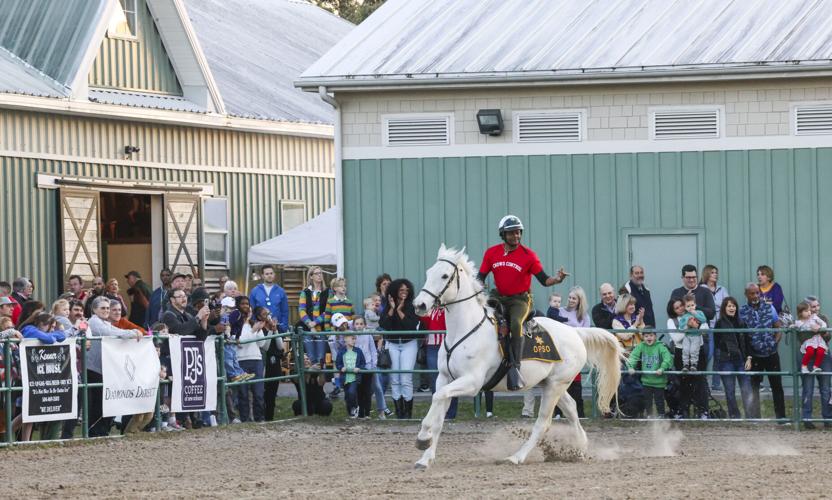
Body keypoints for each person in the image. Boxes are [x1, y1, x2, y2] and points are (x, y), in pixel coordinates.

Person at [476, 215, 568, 390]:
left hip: (519, 299)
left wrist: (557, 279)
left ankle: (515, 366)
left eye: (518, 232)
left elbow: (544, 279)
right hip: (498, 296)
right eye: (511, 233)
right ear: (503, 234)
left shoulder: (528, 255)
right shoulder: (491, 253)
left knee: (516, 323)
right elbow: (480, 277)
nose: (516, 236)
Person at [86, 296, 143, 437]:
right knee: (97, 403)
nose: (106, 311)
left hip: (104, 368)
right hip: (94, 368)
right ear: (94, 310)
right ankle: (95, 431)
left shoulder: (104, 322)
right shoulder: (94, 321)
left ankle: (101, 430)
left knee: (104, 402)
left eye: (107, 308)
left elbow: (113, 331)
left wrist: (132, 332)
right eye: (103, 308)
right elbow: (111, 333)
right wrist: (131, 332)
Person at [740, 283, 785, 421]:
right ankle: (756, 418)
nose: (755, 296)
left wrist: (775, 342)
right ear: (746, 294)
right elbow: (741, 334)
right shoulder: (742, 311)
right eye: (752, 293)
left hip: (771, 353)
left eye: (757, 293)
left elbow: (778, 326)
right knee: (754, 387)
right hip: (753, 355)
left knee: (777, 386)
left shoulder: (769, 307)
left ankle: (781, 418)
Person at [379, 278, 421, 419]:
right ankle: (399, 413)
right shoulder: (388, 305)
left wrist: (399, 310)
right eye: (402, 290)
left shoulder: (411, 305)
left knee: (406, 377)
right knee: (395, 379)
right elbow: (384, 324)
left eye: (407, 290)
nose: (404, 292)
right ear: (395, 291)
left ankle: (408, 414)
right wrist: (392, 308)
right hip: (392, 344)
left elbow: (410, 326)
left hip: (409, 344)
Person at [714, 296, 753, 419]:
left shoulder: (742, 323)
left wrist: (749, 358)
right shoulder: (720, 324)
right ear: (724, 308)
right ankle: (734, 415)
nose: (732, 308)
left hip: (741, 360)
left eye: (733, 305)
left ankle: (750, 416)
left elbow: (747, 342)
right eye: (729, 306)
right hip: (726, 361)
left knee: (746, 389)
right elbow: (717, 343)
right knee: (730, 391)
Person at [800, 295, 832, 429]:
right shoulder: (802, 319)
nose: (816, 309)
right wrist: (811, 331)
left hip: (822, 354)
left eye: (817, 305)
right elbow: (800, 337)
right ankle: (807, 419)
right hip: (807, 355)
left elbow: (828, 336)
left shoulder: (823, 318)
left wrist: (822, 331)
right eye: (813, 307)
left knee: (825, 388)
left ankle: (828, 418)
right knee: (808, 388)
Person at [420, 308, 458, 420]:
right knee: (434, 379)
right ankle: (437, 412)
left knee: (451, 378)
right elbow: (426, 323)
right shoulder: (431, 308)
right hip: (432, 345)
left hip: (449, 345)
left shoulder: (450, 307)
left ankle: (450, 413)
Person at [235, 301, 268, 423]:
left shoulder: (253, 324)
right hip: (241, 360)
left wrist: (258, 330)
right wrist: (253, 331)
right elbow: (241, 343)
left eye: (249, 311)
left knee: (258, 392)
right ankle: (245, 418)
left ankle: (259, 417)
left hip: (256, 359)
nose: (248, 314)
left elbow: (261, 343)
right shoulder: (236, 326)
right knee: (243, 393)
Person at [627, 330, 673, 417]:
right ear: (643, 337)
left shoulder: (660, 346)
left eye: (651, 335)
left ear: (655, 336)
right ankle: (649, 415)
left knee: (659, 399)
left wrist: (662, 368)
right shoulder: (641, 346)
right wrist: (630, 366)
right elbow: (633, 356)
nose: (649, 338)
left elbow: (667, 358)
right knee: (647, 399)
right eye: (646, 336)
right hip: (646, 380)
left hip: (659, 381)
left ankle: (661, 415)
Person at [298, 266, 330, 367]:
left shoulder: (328, 292)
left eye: (321, 273)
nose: (320, 275)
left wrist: (315, 323)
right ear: (311, 276)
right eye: (317, 273)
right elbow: (301, 310)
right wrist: (310, 325)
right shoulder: (305, 292)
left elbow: (328, 311)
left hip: (321, 329)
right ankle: (309, 381)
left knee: (320, 358)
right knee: (310, 358)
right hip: (307, 329)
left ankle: (320, 380)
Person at [248, 264, 289, 333]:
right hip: (261, 328)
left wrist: (283, 327)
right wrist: (254, 324)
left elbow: (285, 311)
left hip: (277, 327)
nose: (269, 275)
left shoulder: (281, 291)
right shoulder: (255, 291)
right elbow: (252, 310)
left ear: (274, 275)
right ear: (262, 276)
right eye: (267, 274)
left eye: (271, 273)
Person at [352, 316, 380, 419]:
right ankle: (360, 412)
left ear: (364, 325)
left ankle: (367, 412)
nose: (359, 326)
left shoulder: (368, 335)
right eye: (357, 324)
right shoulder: (352, 336)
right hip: (357, 367)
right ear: (354, 325)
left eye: (361, 324)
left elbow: (373, 350)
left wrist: (374, 364)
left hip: (368, 366)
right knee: (359, 390)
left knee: (367, 390)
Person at [335, 331, 366, 418]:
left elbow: (363, 363)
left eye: (355, 338)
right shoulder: (341, 352)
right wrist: (341, 368)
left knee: (352, 392)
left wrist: (359, 368)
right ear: (345, 339)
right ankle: (350, 411)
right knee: (347, 395)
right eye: (352, 338)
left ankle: (354, 407)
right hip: (345, 378)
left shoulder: (358, 351)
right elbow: (338, 363)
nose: (354, 340)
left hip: (355, 377)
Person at [795, 300, 827, 373]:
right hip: (809, 341)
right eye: (806, 311)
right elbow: (797, 329)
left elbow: (824, 324)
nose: (809, 312)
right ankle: (804, 366)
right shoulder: (799, 322)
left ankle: (816, 366)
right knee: (810, 351)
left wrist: (820, 327)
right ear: (800, 313)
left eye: (809, 310)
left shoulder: (814, 317)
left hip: (818, 340)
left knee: (821, 351)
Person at [677, 294, 707, 372]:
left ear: (695, 304)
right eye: (688, 306)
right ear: (685, 307)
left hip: (696, 335)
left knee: (694, 350)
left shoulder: (699, 312)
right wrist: (687, 324)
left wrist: (695, 314)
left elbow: (704, 320)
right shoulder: (685, 316)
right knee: (686, 350)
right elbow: (680, 326)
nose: (690, 307)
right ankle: (686, 365)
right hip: (687, 335)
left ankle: (694, 364)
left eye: (692, 305)